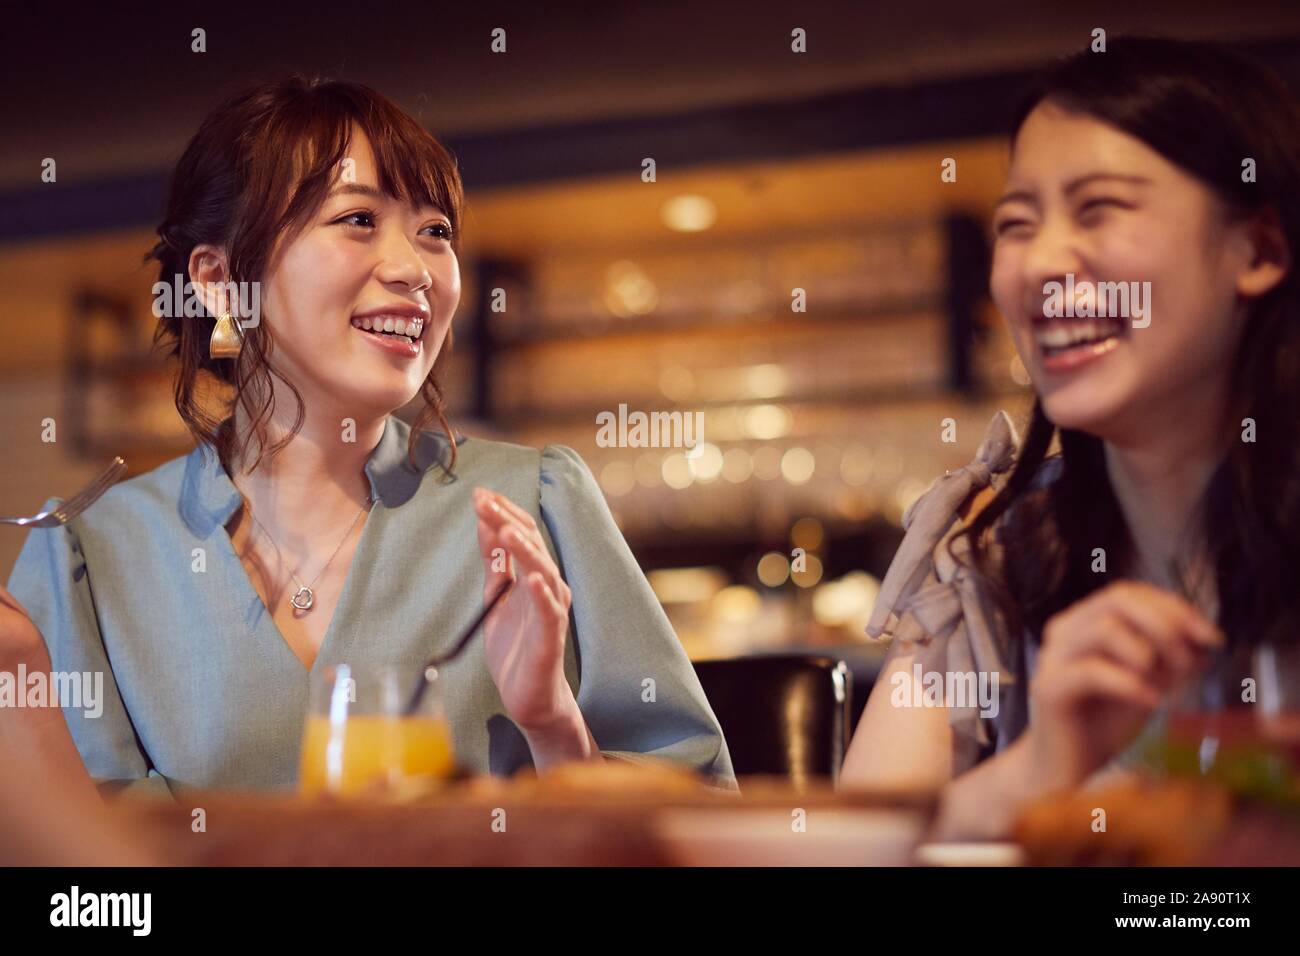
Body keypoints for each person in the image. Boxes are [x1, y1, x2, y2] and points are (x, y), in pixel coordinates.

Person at [3, 76, 734, 796]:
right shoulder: (88, 557)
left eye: (435, 232)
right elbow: (74, 875)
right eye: (358, 220)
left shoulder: (537, 504)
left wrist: (552, 726)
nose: (414, 269)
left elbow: (699, 818)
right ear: (221, 280)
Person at [841, 37, 1298, 838]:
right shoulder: (982, 565)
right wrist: (1042, 768)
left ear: (1257, 249)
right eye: (1017, 223)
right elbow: (844, 859)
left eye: (1100, 210)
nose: (1041, 262)